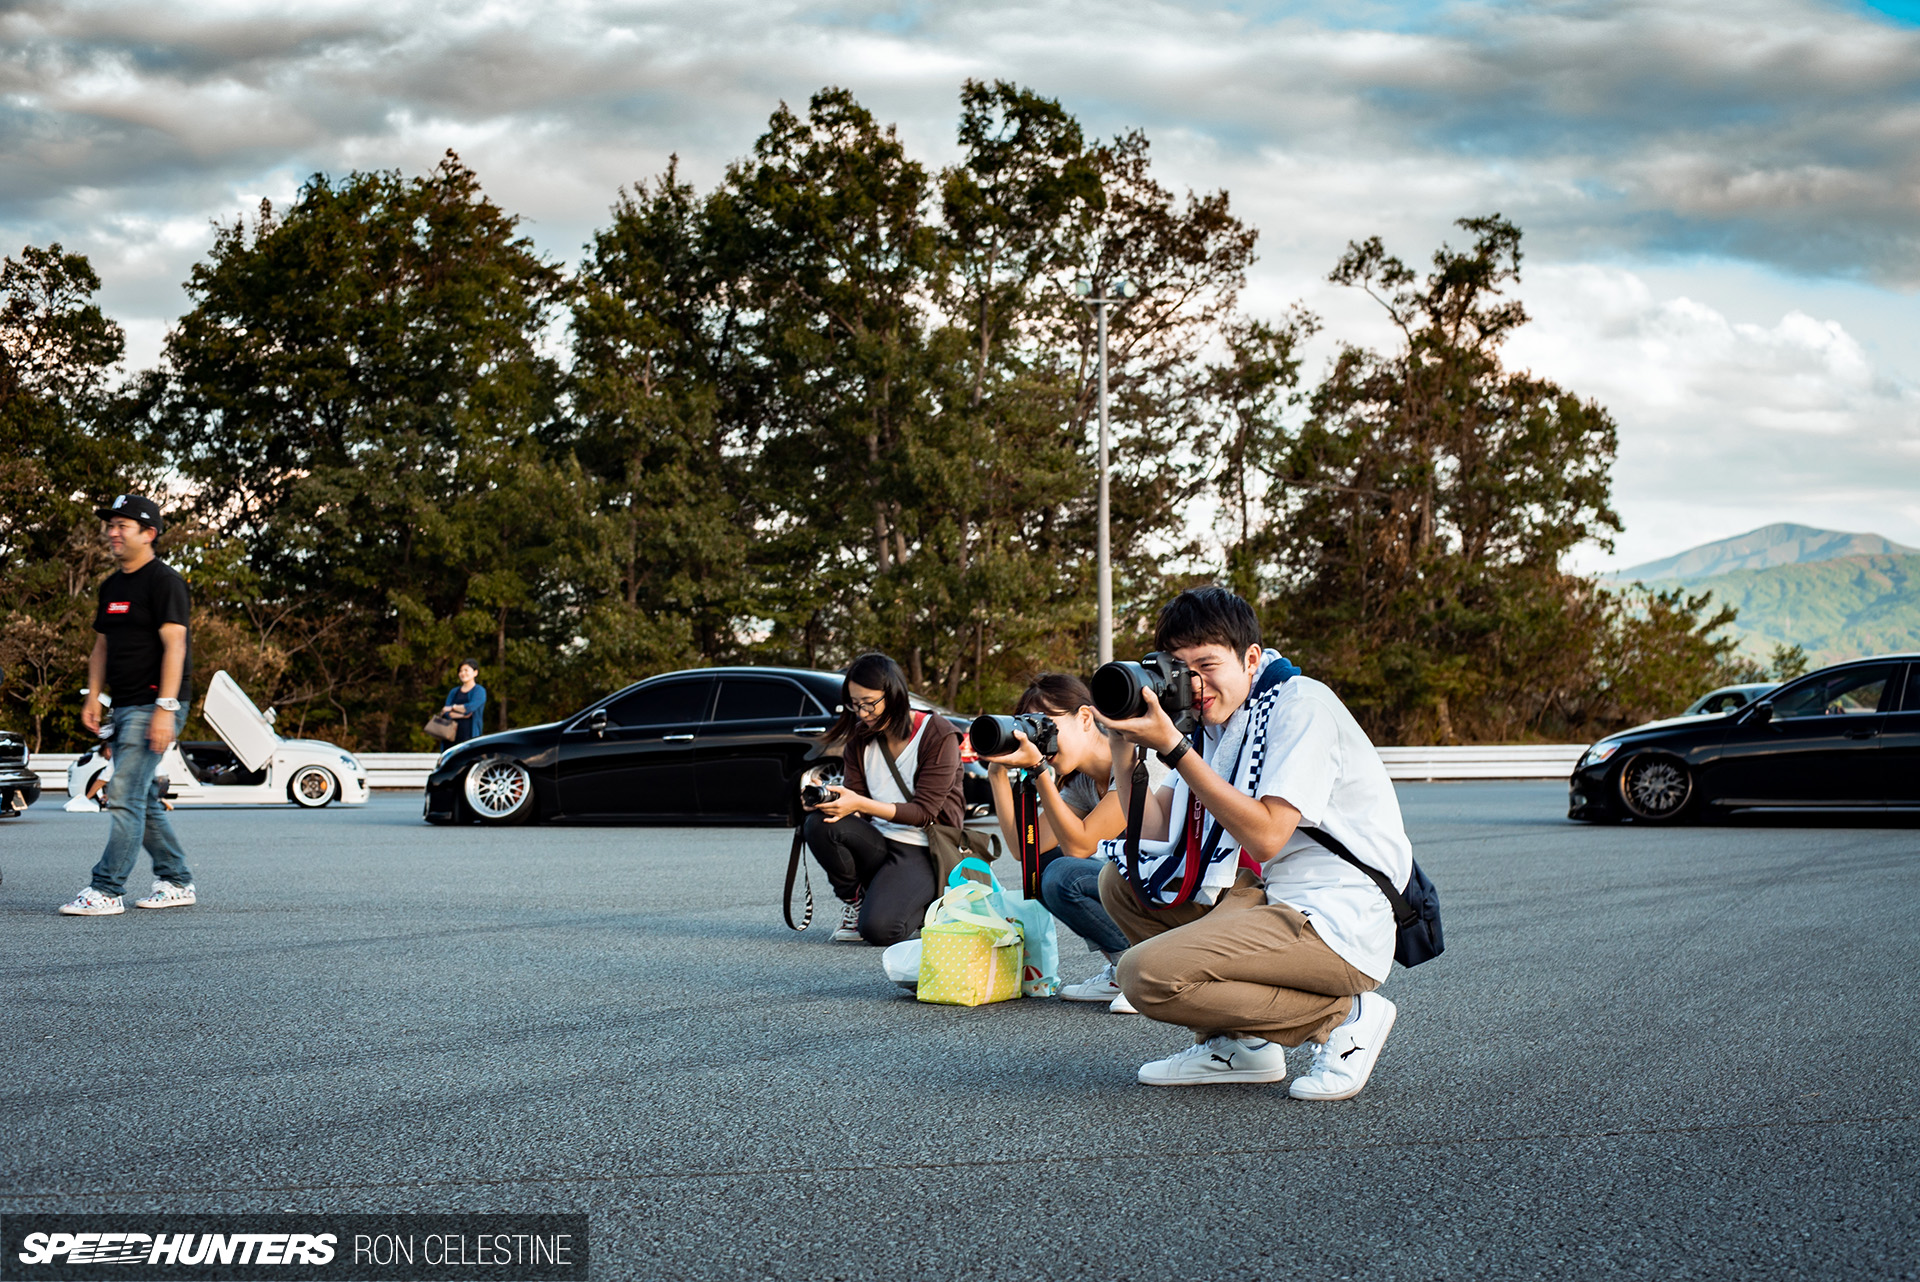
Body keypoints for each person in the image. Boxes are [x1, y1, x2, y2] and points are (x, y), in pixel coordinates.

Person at [1094, 586, 1412, 1102]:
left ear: (1251, 659)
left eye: (1207, 664)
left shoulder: (1299, 706)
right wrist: (1122, 747)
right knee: (1121, 883)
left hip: (1337, 914)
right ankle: (1240, 1046)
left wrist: (1173, 749)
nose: (1194, 684)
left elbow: (1266, 836)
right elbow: (1151, 828)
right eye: (1180, 668)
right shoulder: (1215, 726)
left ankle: (1344, 1015)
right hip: (1273, 897)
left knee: (1145, 976)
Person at [60, 494, 198, 916]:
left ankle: (106, 888)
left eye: (123, 525)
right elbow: (101, 645)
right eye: (111, 525)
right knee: (140, 796)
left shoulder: (165, 582)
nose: (113, 532)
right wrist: (94, 696)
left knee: (121, 792)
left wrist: (165, 709)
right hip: (123, 704)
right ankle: (176, 880)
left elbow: (176, 645)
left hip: (157, 702)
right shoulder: (112, 586)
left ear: (149, 533)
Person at [978, 674, 1136, 1008]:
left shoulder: (1133, 761)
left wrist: (1038, 771)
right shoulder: (1080, 782)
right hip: (1144, 887)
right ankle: (1124, 968)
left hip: (1183, 891)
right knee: (1043, 870)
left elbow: (1080, 847)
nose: (1042, 739)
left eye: (1047, 725)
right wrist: (997, 775)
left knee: (1064, 874)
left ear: (1084, 717)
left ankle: (1146, 974)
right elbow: (1026, 852)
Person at [802, 652, 964, 946]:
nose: (862, 713)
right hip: (878, 841)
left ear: (895, 694)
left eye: (870, 703)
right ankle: (857, 900)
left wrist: (859, 804)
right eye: (855, 704)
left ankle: (926, 903)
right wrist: (832, 800)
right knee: (818, 823)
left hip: (924, 847)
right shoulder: (860, 740)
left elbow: (924, 812)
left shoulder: (937, 734)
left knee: (880, 930)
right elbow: (859, 806)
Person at [441, 659, 487, 744]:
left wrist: (453, 707)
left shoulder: (479, 691)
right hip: (450, 736)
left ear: (475, 673)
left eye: (466, 670)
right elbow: (446, 712)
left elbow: (470, 707)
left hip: (470, 736)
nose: (463, 673)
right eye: (460, 671)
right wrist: (463, 715)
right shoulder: (454, 691)